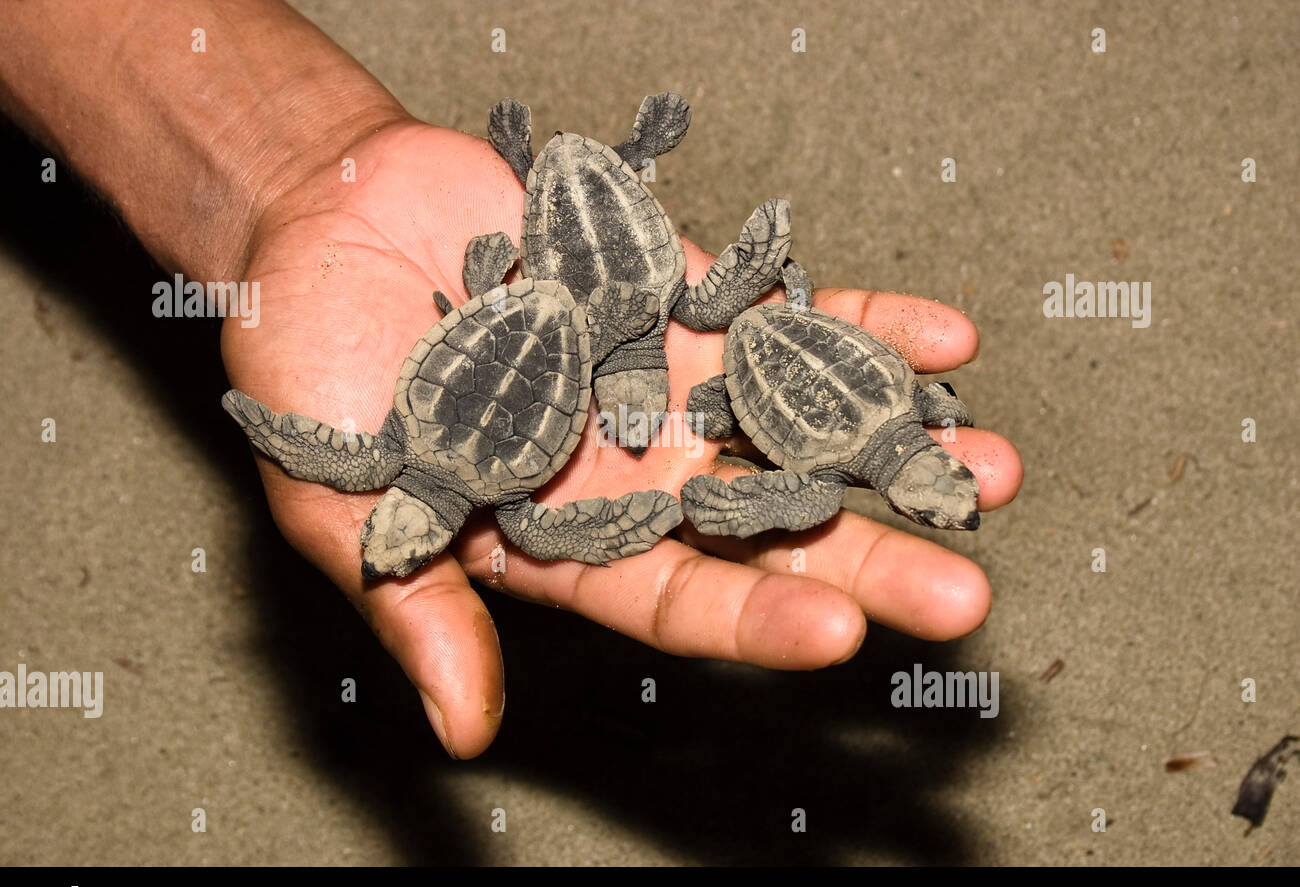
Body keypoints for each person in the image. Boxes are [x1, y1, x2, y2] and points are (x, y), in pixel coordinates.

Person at [0, 0, 1022, 758]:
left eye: (383, 529)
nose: (384, 542)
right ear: (423, 516)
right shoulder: (499, 492)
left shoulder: (459, 464)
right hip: (550, 321)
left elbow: (713, 438)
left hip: (543, 316)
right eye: (403, 538)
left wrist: (304, 175)